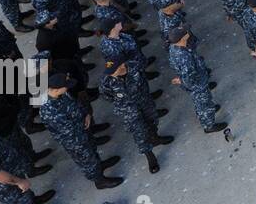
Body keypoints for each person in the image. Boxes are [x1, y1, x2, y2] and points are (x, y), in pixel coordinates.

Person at [38, 73, 122, 189]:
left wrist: (86, 114)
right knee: (87, 159)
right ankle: (100, 180)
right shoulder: (49, 110)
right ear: (56, 90)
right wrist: (82, 123)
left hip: (82, 130)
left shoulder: (62, 93)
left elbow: (75, 104)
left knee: (92, 150)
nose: (67, 87)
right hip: (75, 140)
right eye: (65, 86)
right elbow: (68, 130)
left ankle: (99, 166)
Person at [100, 43, 171, 174]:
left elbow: (143, 82)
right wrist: (122, 104)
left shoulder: (133, 67)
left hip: (143, 101)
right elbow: (107, 96)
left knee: (152, 120)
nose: (112, 74)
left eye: (114, 70)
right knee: (139, 134)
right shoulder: (107, 81)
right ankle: (150, 156)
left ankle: (155, 138)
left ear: (121, 66)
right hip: (129, 111)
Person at [166, 30, 226, 134]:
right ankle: (209, 125)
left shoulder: (174, 47)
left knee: (202, 101)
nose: (187, 32)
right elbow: (189, 76)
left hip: (198, 80)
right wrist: (184, 81)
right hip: (197, 84)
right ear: (182, 38)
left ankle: (208, 111)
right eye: (185, 33)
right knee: (203, 102)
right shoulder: (183, 56)